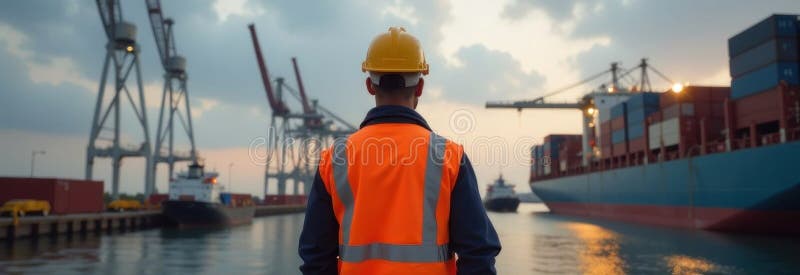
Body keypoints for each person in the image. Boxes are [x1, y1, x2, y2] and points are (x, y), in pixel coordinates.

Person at [299, 27, 500, 275]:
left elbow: (315, 256)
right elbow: (478, 253)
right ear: (420, 87)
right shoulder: (448, 156)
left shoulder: (334, 159)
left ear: (370, 86)